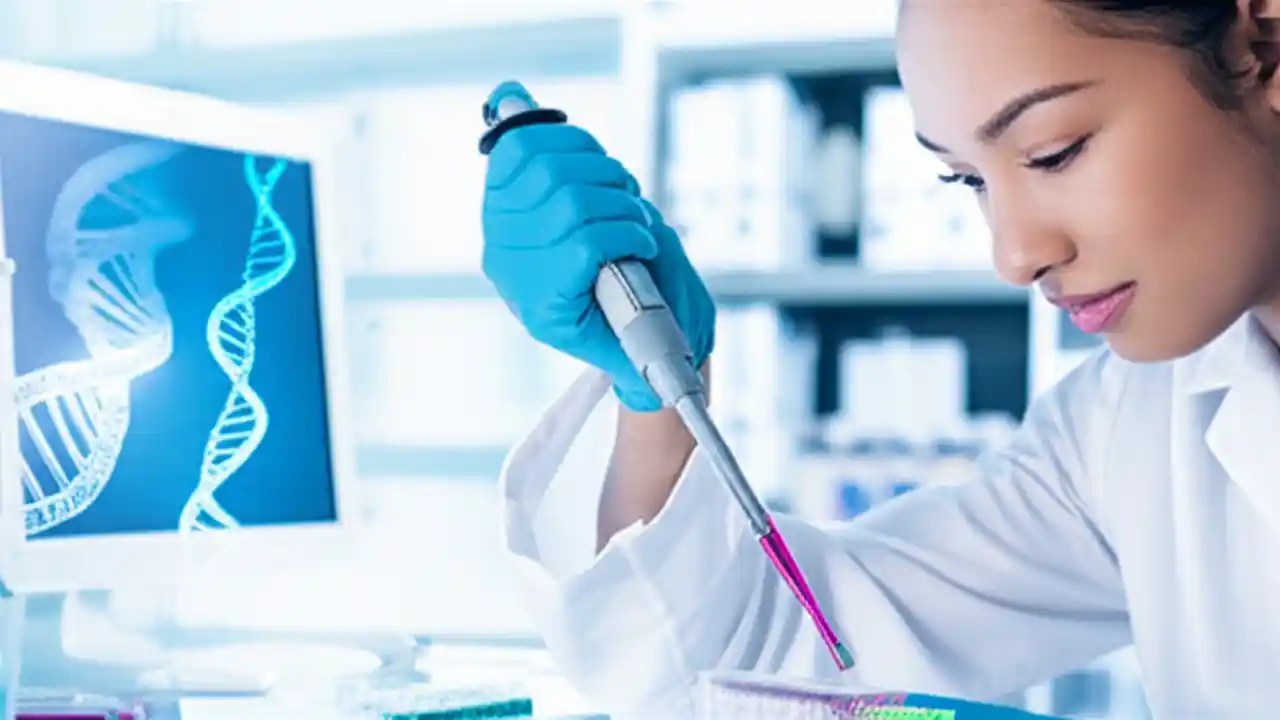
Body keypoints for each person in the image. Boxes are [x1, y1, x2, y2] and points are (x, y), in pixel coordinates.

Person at [480, 1, 1280, 717]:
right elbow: (764, 667)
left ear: (1264, 43)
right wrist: (656, 392)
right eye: (967, 180)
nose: (1014, 255)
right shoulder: (1126, 429)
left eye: (1052, 152)